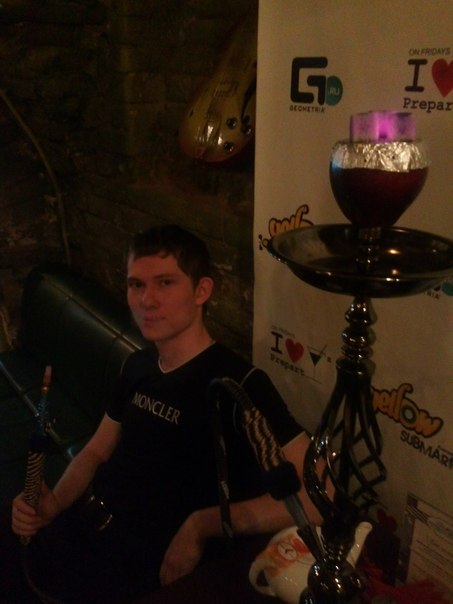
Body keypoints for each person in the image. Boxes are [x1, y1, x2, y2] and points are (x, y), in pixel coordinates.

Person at [11, 224, 321, 603]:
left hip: (139, 564)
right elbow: (95, 452)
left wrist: (201, 524)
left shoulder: (239, 384)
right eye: (136, 285)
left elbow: (318, 497)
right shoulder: (138, 365)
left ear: (201, 291)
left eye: (165, 283)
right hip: (81, 526)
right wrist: (55, 503)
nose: (147, 300)